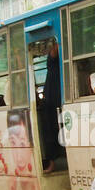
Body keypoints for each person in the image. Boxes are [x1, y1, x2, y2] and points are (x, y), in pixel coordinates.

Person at [38, 37, 64, 173]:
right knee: (51, 132)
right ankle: (52, 162)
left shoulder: (64, 63)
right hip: (50, 103)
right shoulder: (53, 62)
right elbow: (55, 51)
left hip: (60, 101)